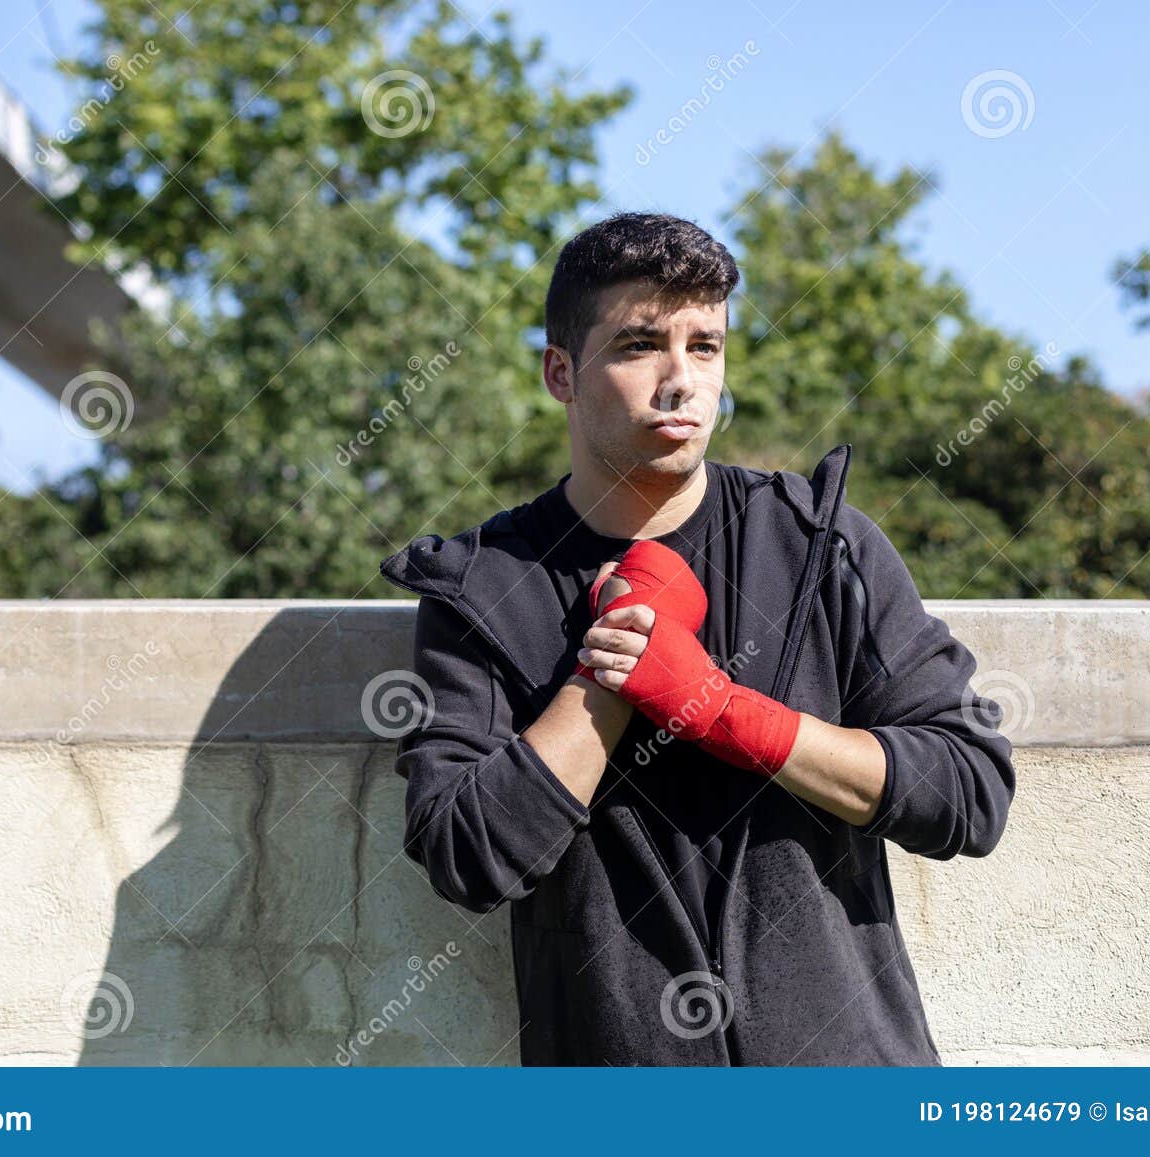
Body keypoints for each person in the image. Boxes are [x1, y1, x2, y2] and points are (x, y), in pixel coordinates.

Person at [379, 211, 1016, 1065]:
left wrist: (724, 710)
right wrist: (606, 680)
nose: (681, 380)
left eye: (705, 346)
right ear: (561, 373)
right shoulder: (485, 584)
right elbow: (468, 853)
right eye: (640, 345)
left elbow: (969, 791)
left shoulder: (821, 542)